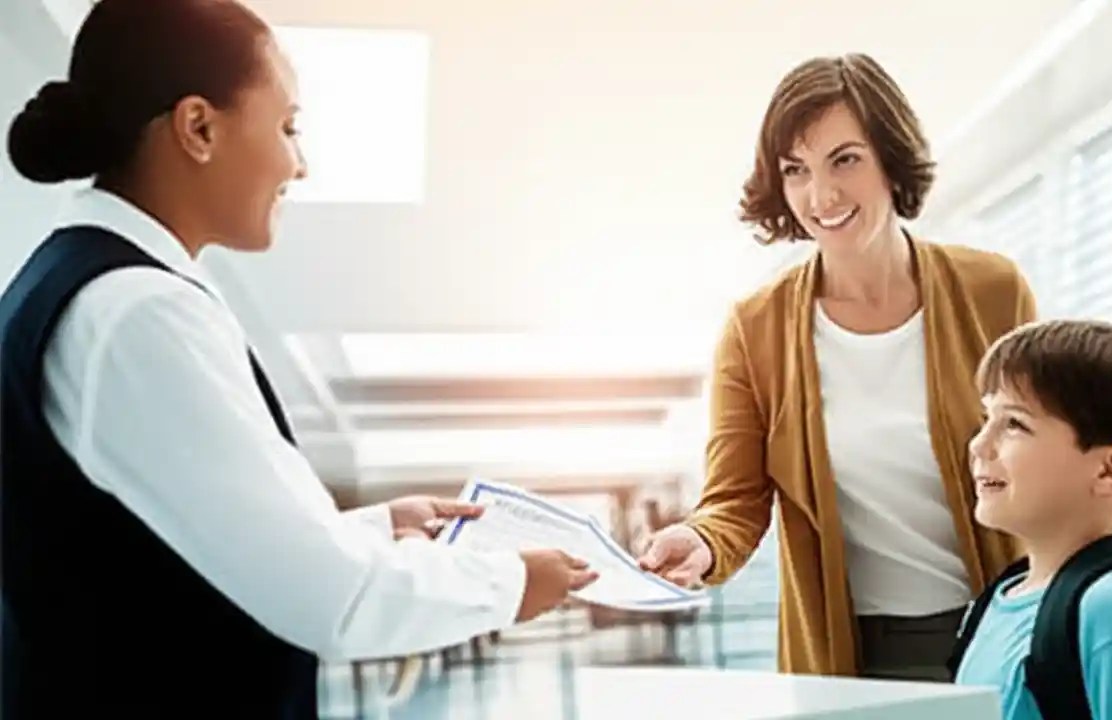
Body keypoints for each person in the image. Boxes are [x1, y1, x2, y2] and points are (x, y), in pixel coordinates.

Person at [0, 1, 595, 716]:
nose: (300, 164)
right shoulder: (137, 312)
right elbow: (336, 600)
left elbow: (188, 556)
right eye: (288, 126)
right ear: (199, 128)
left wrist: (376, 528)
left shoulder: (74, 286)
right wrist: (509, 583)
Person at [637, 52, 1037, 680]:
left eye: (844, 160)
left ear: (890, 158)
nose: (820, 196)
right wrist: (702, 541)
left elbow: (1049, 457)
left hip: (1003, 634)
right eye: (795, 170)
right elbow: (734, 498)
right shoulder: (755, 328)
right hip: (849, 655)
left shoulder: (993, 291)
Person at [954, 319, 1112, 719]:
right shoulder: (1002, 598)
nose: (979, 445)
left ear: (1111, 468)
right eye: (987, 419)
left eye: (1014, 424)